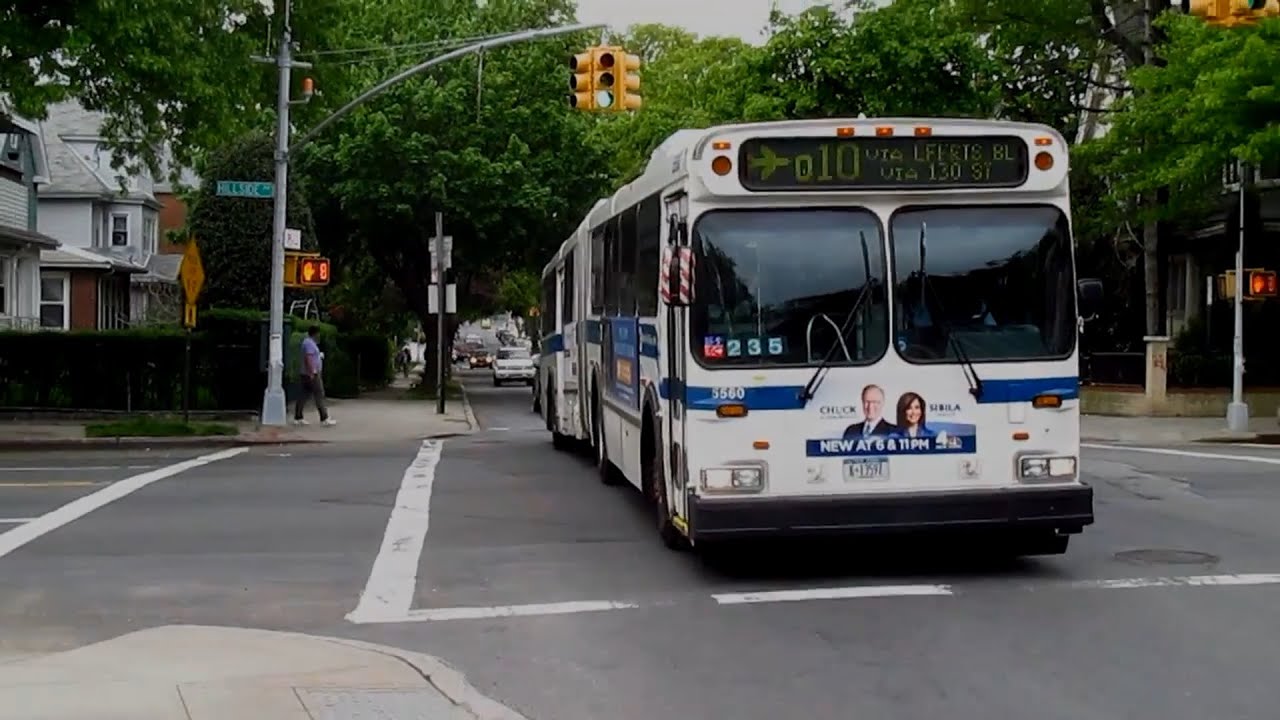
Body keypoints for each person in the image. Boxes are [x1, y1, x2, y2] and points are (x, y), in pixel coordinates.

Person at [295, 326, 337, 426]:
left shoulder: (308, 342)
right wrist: (312, 371)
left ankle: (298, 417)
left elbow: (312, 356)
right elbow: (308, 358)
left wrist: (319, 356)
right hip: (312, 374)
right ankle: (324, 418)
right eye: (318, 333)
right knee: (319, 394)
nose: (319, 336)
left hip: (305, 374)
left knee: (303, 395)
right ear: (315, 333)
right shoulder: (309, 343)